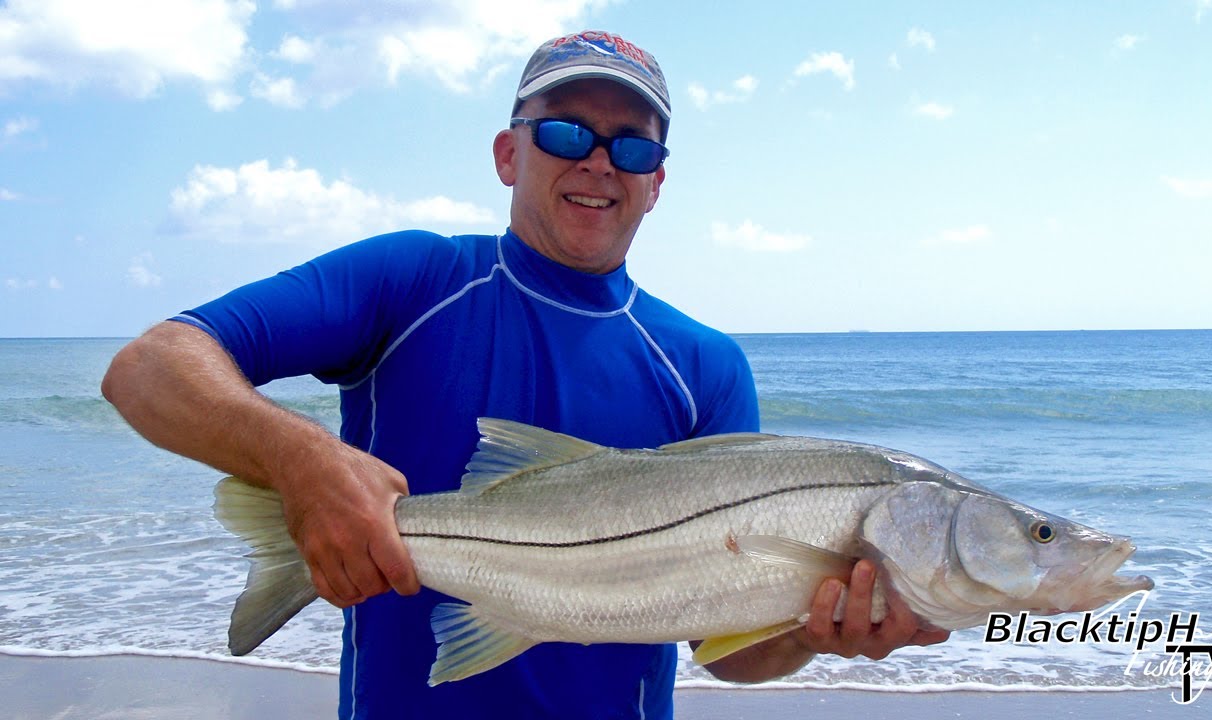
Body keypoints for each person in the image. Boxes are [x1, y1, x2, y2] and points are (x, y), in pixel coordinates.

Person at [102, 30, 947, 719]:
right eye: (567, 132)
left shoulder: (704, 367)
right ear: (509, 153)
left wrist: (812, 631)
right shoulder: (411, 282)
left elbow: (727, 652)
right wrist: (301, 463)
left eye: (632, 143)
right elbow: (150, 368)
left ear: (658, 182)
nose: (598, 161)